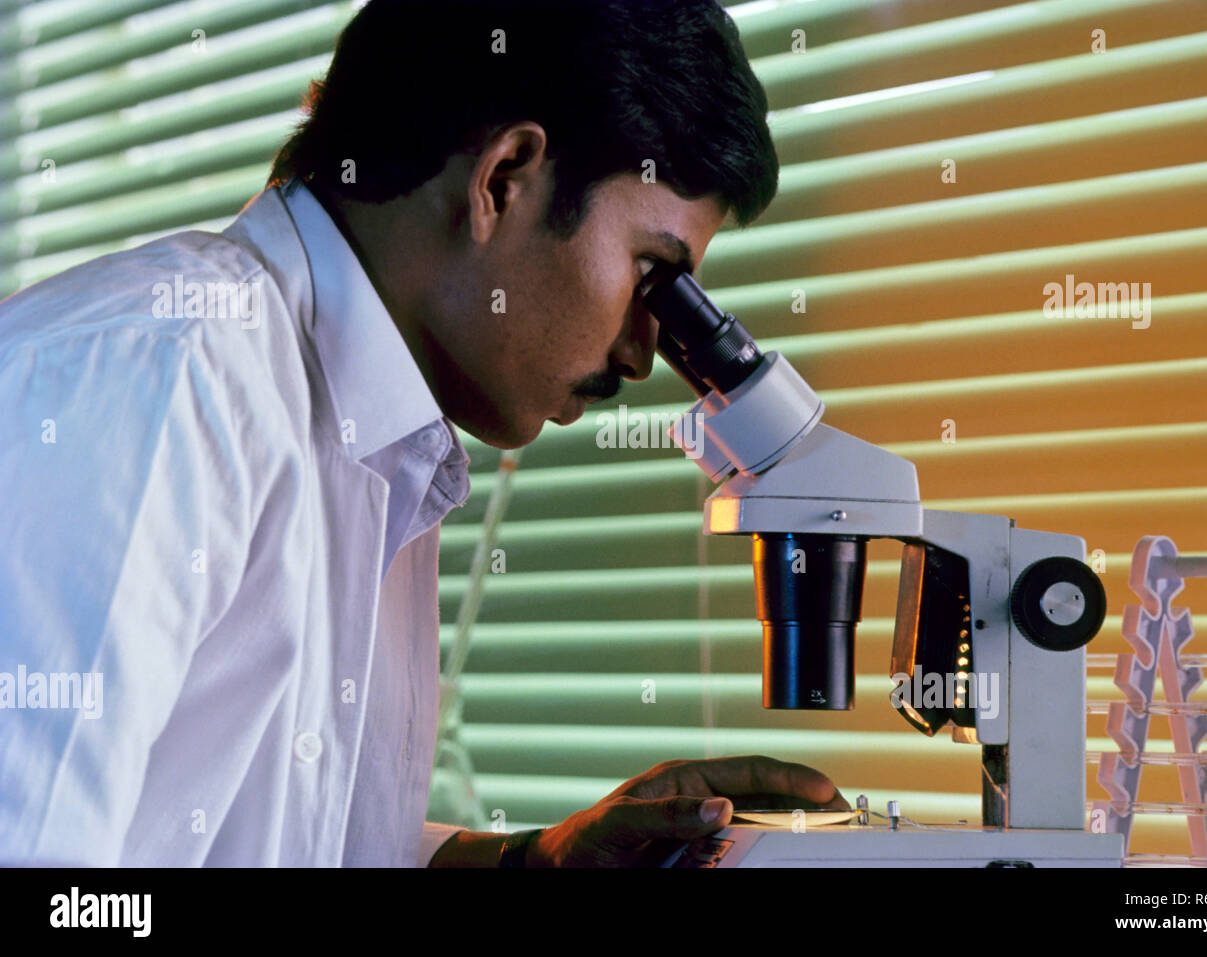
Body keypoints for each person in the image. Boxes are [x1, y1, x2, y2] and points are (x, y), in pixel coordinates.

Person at [0, 0, 848, 868]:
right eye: (653, 274)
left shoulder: (373, 445)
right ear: (502, 179)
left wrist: (535, 862)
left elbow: (287, 840)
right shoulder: (161, 380)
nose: (642, 352)